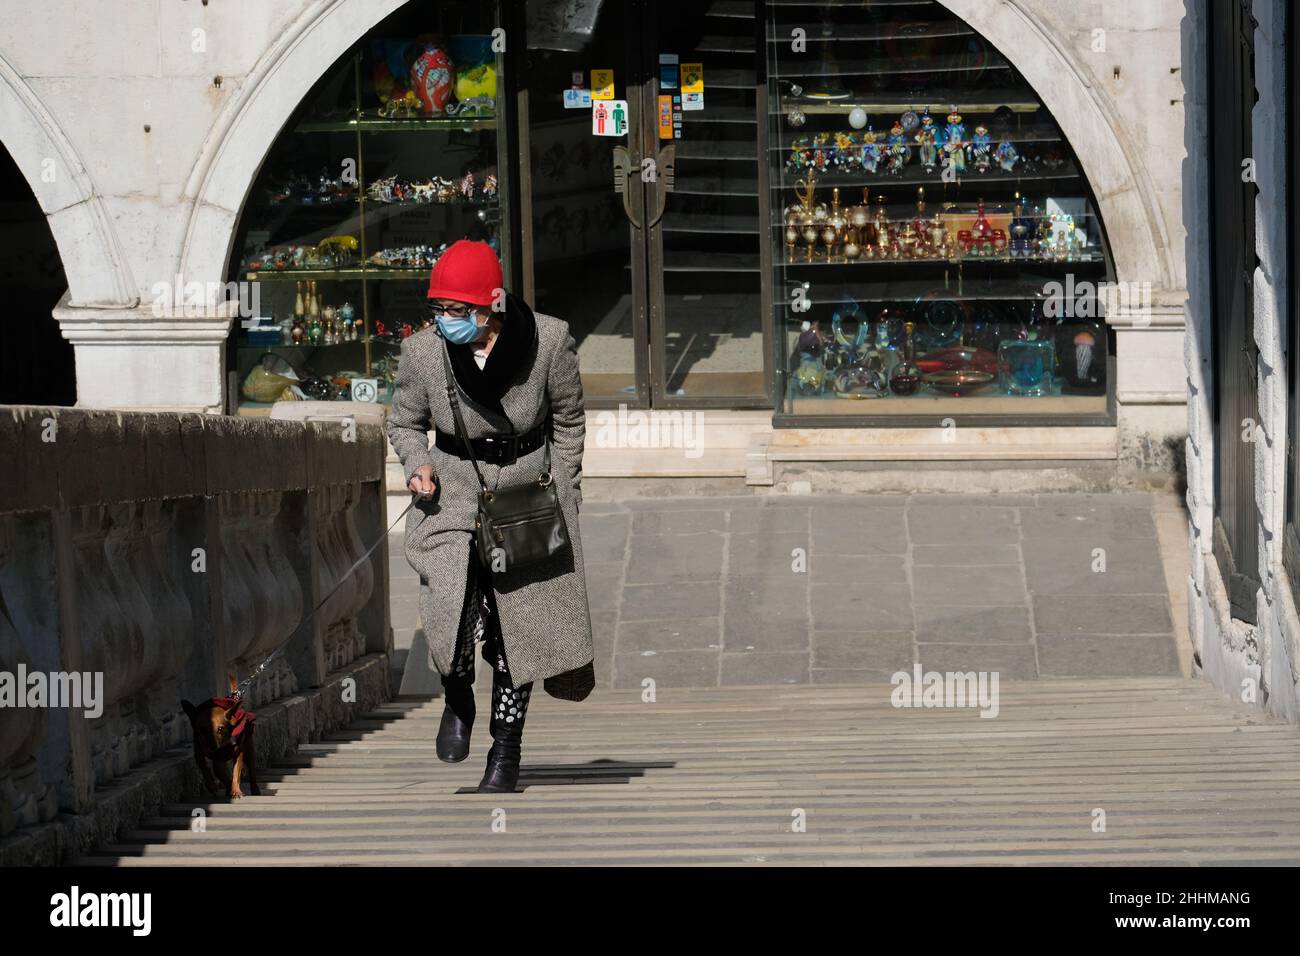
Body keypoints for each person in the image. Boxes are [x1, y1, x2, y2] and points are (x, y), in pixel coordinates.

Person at [386, 239, 594, 793]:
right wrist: (417, 464)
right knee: (452, 612)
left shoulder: (549, 340)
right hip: (452, 493)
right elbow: (404, 423)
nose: (446, 321)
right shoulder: (423, 353)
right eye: (440, 310)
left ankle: (505, 753)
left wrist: (565, 489)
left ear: (492, 304)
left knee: (515, 632)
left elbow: (569, 421)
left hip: (526, 500)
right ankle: (457, 698)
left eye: (459, 311)